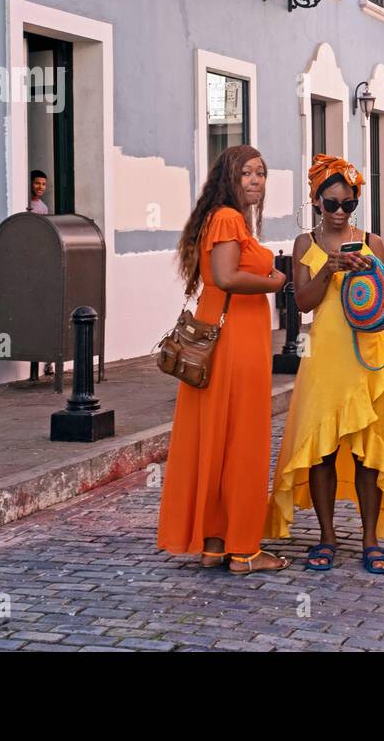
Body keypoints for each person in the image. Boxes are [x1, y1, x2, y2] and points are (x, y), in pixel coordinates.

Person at [266, 154, 384, 574]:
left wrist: (370, 274)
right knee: (321, 451)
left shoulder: (374, 241)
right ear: (316, 202)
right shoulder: (304, 245)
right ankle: (327, 537)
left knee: (370, 453)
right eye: (330, 203)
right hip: (323, 358)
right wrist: (329, 269)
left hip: (365, 358)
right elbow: (304, 302)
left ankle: (370, 540)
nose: (339, 212)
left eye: (347, 204)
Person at [157, 145, 290, 575]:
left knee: (219, 436)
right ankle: (246, 550)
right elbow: (228, 277)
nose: (255, 181)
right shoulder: (229, 218)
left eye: (261, 173)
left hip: (224, 333)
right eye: (247, 173)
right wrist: (276, 280)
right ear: (228, 178)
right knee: (244, 440)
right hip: (236, 340)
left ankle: (215, 542)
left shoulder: (221, 218)